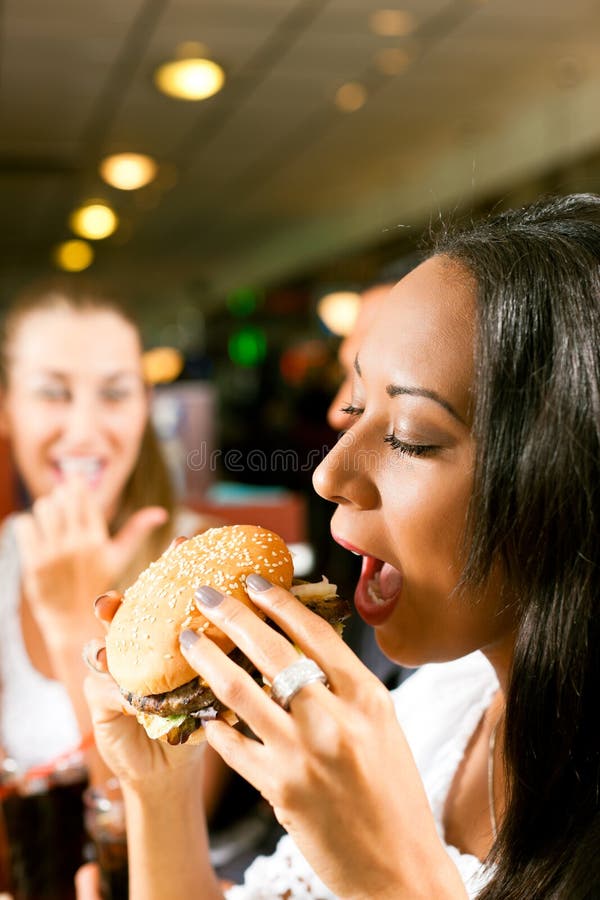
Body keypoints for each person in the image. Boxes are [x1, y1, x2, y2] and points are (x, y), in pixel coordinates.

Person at [83, 194, 599, 899]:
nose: (327, 475)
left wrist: (391, 880)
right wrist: (160, 790)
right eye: (355, 406)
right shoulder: (444, 706)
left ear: (569, 481)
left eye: (411, 436)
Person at [0, 276, 213, 893]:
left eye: (115, 394)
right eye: (53, 394)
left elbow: (174, 831)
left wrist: (75, 625)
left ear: (145, 406)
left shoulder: (199, 569)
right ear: (8, 407)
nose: (85, 430)